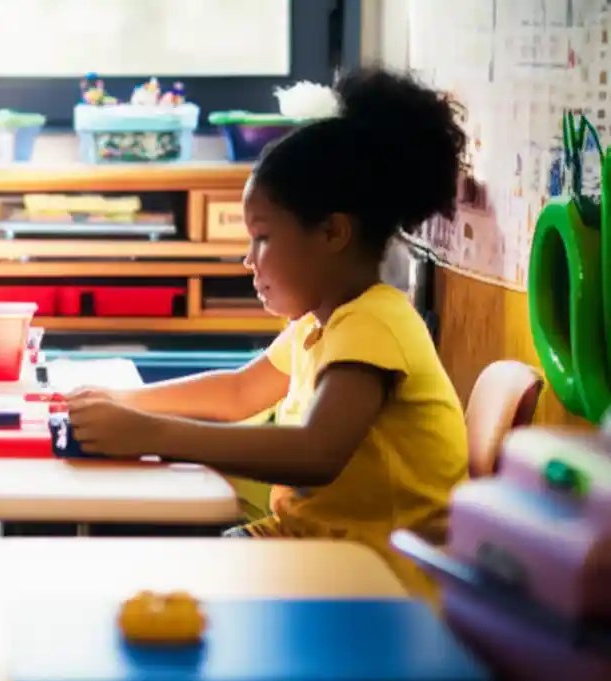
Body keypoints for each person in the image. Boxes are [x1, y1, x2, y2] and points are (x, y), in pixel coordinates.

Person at [65, 67, 468, 600]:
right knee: (135, 573)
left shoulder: (374, 321)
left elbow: (315, 453)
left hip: (375, 584)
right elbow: (238, 392)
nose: (248, 259)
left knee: (137, 584)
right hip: (317, 553)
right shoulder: (321, 324)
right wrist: (124, 401)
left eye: (262, 238)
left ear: (332, 232)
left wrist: (148, 433)